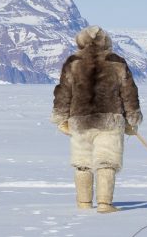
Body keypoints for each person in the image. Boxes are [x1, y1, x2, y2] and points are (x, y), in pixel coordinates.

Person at [52, 26, 142, 212]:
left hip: (80, 121)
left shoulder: (73, 62)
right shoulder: (117, 62)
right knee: (107, 162)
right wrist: (132, 119)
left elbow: (63, 92)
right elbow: (129, 93)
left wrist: (60, 118)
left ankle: (84, 203)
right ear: (106, 41)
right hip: (110, 121)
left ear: (81, 41)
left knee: (82, 163)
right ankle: (104, 204)